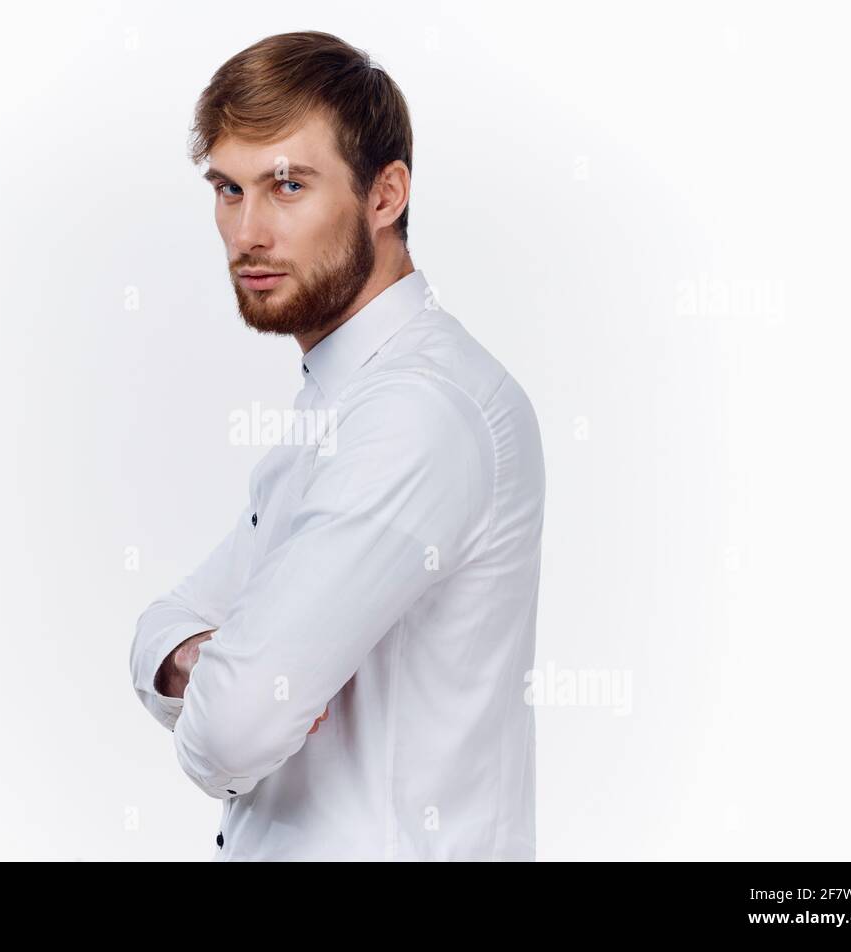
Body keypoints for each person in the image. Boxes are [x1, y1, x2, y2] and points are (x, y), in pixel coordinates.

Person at [129, 31, 545, 861]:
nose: (246, 231)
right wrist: (194, 660)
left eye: (287, 184)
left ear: (385, 193)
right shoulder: (344, 399)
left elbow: (233, 733)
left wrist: (225, 673)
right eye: (227, 188)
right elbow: (161, 628)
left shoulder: (418, 413)